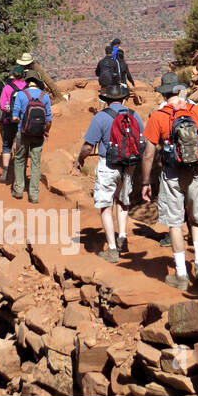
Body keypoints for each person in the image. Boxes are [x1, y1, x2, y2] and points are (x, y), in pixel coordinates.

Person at [141, 72, 198, 289]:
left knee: (175, 223)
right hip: (196, 172)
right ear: (180, 91)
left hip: (172, 175)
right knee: (197, 219)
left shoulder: (158, 116)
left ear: (164, 94)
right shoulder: (197, 111)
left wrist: (145, 182)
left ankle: (182, 275)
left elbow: (148, 154)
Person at [72, 83, 144, 262]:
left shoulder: (100, 117)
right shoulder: (134, 115)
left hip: (108, 165)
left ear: (107, 100)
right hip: (129, 165)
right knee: (123, 201)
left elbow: (89, 146)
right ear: (124, 98)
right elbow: (143, 139)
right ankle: (123, 237)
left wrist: (80, 159)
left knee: (106, 204)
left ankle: (112, 249)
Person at [10, 74, 52, 204]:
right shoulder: (44, 96)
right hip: (39, 135)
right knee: (35, 163)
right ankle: (34, 195)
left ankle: (18, 189)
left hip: (23, 133)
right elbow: (49, 119)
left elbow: (14, 117)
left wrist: (21, 122)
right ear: (37, 83)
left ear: (27, 82)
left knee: (19, 159)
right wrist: (45, 131)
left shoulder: (21, 95)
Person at [0, 65, 29, 183]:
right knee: (19, 143)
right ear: (22, 76)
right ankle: (18, 172)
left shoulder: (6, 87)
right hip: (22, 120)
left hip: (7, 120)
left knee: (6, 145)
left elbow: (2, 105)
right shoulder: (26, 87)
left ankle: (5, 172)